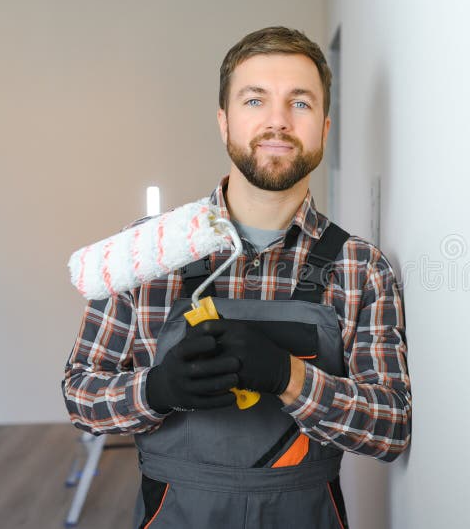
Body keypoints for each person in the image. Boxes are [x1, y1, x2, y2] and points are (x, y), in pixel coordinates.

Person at [62, 26, 411, 529]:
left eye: (301, 103)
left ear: (325, 129)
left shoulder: (360, 268)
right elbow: (80, 394)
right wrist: (156, 391)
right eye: (254, 101)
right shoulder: (142, 255)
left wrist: (289, 378)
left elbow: (391, 428)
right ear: (224, 123)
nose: (277, 121)